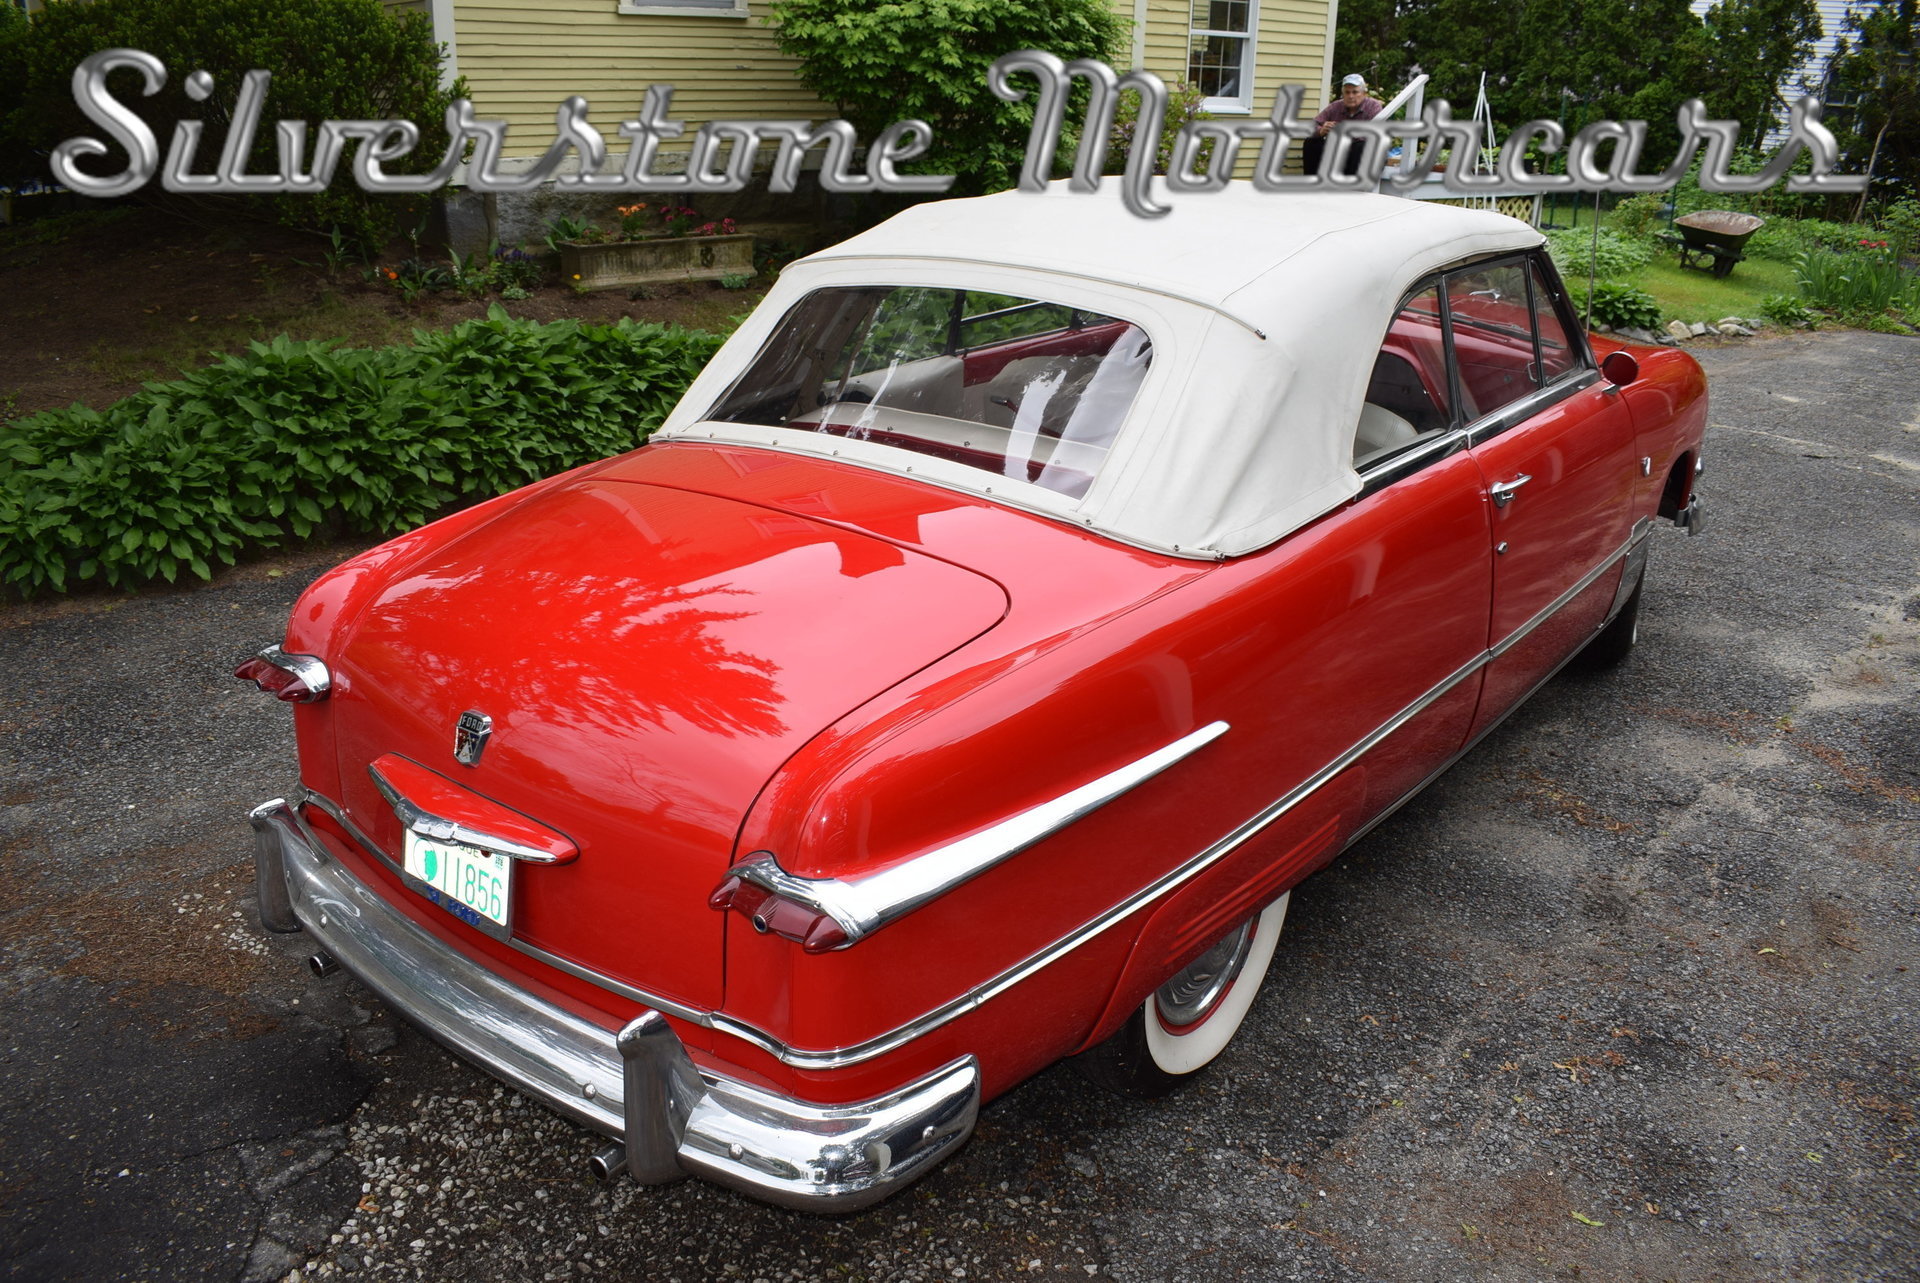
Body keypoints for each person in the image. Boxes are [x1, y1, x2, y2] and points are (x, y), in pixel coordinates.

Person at [1302, 73, 1384, 178]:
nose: (1351, 96)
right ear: (1343, 94)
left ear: (1364, 93)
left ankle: (1353, 190)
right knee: (1311, 142)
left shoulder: (1373, 106)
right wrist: (1321, 130)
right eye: (1347, 92)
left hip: (1364, 155)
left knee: (1361, 147)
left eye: (1355, 92)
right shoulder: (1335, 106)